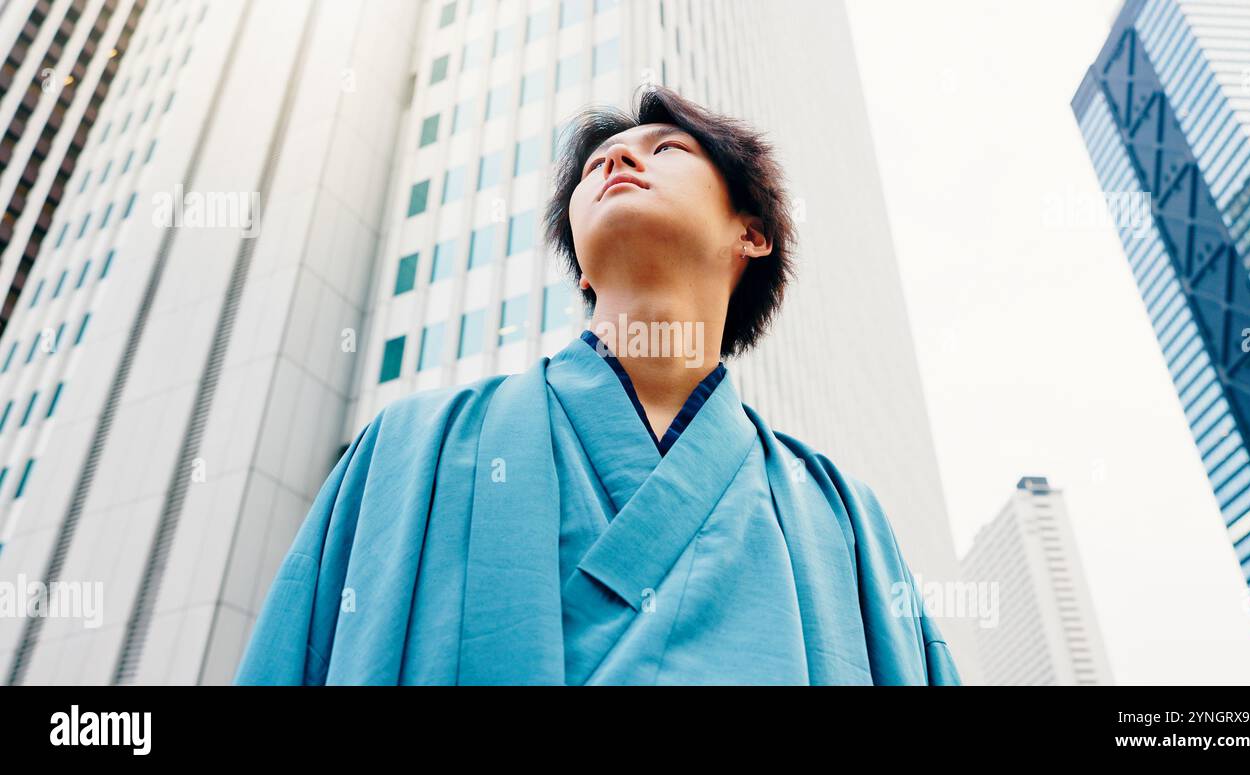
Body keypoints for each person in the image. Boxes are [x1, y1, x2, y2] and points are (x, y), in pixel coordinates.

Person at [233, 86, 961, 686]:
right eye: (597, 164)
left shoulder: (844, 518)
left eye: (666, 149)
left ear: (753, 233)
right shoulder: (406, 449)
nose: (617, 158)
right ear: (580, 266)